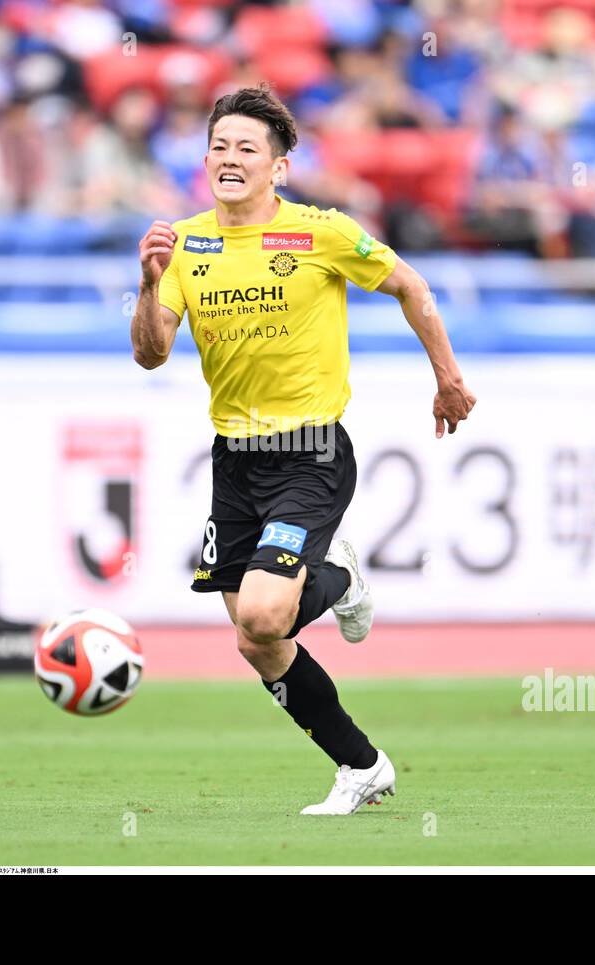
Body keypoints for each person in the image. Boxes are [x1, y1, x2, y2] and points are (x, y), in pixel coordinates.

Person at [130, 84, 476, 815]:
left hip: (311, 452)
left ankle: (336, 575)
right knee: (255, 638)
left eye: (246, 148)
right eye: (219, 146)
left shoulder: (319, 233)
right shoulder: (187, 244)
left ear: (278, 168)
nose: (230, 158)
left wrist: (447, 377)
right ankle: (362, 764)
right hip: (234, 459)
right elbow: (152, 354)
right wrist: (147, 285)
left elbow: (411, 286)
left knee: (263, 614)